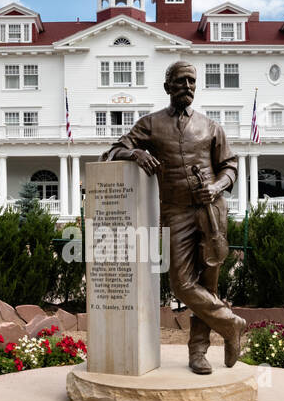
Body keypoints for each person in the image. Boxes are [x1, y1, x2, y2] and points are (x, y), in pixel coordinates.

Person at [101, 60, 246, 374]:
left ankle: (198, 353)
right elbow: (112, 151)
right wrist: (136, 153)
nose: (188, 87)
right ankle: (230, 324)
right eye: (181, 81)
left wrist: (216, 186)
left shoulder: (211, 127)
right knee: (182, 285)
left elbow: (230, 166)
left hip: (211, 213)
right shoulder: (151, 124)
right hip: (175, 212)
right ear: (167, 86)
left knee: (208, 284)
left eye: (192, 81)